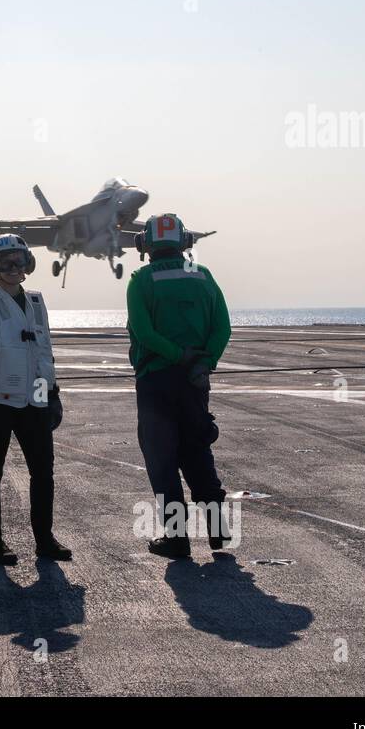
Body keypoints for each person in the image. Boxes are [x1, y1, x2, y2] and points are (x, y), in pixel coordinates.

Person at [0, 234, 72, 565]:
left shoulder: (37, 302)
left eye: (19, 261)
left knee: (43, 470)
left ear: (28, 264)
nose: (13, 268)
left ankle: (44, 540)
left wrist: (52, 394)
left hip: (35, 397)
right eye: (5, 262)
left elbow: (43, 351)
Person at [126, 214, 232, 560]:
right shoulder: (203, 276)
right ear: (185, 243)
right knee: (197, 451)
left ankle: (177, 539)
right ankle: (218, 530)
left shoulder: (142, 281)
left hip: (156, 381)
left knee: (162, 460)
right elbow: (223, 328)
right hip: (194, 383)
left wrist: (176, 355)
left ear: (145, 245)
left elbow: (144, 333)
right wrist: (203, 361)